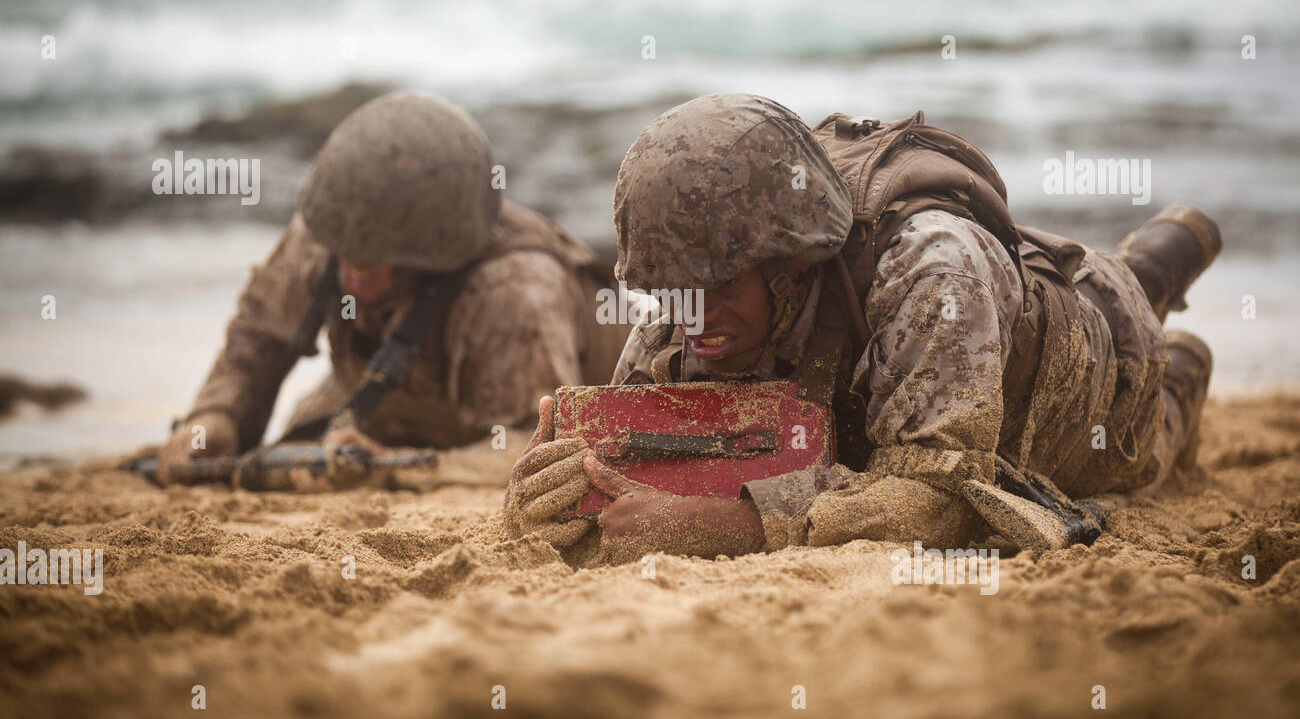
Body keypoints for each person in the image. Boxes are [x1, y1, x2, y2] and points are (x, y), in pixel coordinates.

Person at [504, 94, 1219, 563]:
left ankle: (1174, 339)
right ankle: (1153, 266)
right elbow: (621, 462)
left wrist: (726, 526)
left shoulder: (932, 274)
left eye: (717, 286)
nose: (690, 316)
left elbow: (943, 501)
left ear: (790, 261)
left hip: (1086, 374)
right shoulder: (698, 294)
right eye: (670, 290)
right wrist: (551, 493)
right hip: (997, 309)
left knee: (1143, 422)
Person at [156, 90, 628, 483]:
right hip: (382, 402)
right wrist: (215, 418)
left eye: (381, 253)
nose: (354, 264)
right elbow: (258, 336)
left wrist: (402, 471)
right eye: (347, 247)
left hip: (503, 414)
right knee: (296, 445)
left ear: (436, 251)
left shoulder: (516, 289)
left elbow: (543, 445)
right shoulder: (331, 229)